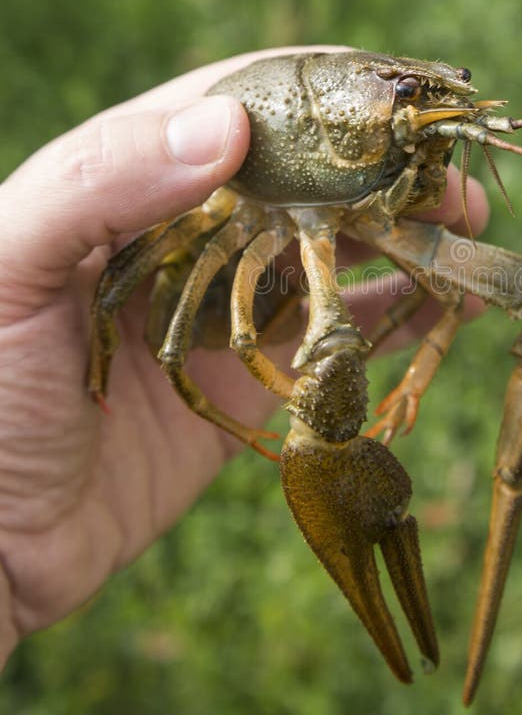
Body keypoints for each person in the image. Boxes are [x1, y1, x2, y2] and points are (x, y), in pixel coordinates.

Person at [0, 47, 489, 668]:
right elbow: (139, 316)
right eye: (409, 96)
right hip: (218, 256)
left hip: (273, 282)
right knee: (238, 351)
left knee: (512, 292)